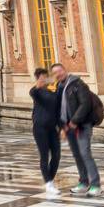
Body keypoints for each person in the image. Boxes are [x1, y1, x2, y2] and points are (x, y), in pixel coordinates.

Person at [53, 62, 103, 196]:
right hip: (68, 127)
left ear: (64, 70)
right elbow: (59, 109)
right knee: (77, 155)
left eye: (59, 71)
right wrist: (62, 127)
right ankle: (84, 182)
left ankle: (95, 185)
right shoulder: (59, 87)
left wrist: (75, 121)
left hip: (82, 125)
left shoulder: (78, 84)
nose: (58, 74)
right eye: (55, 73)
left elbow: (85, 104)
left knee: (85, 153)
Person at [29, 67, 61, 197]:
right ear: (37, 78)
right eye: (41, 77)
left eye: (45, 77)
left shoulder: (53, 92)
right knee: (44, 156)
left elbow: (58, 111)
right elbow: (32, 93)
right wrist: (38, 85)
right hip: (40, 128)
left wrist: (62, 128)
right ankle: (48, 183)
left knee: (57, 155)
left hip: (53, 128)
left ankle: (50, 180)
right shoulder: (37, 92)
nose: (44, 79)